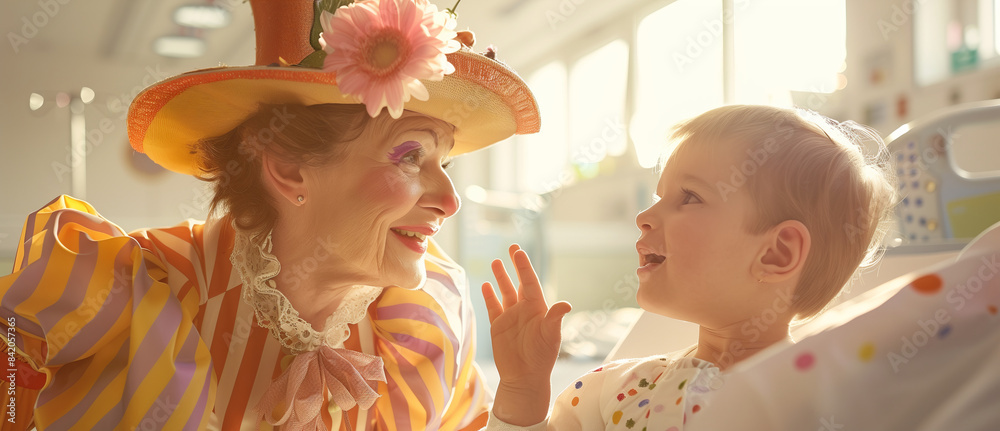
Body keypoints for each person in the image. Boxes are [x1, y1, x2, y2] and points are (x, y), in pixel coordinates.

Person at [0, 0, 541, 430]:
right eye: (409, 155)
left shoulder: (429, 317)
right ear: (288, 169)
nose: (450, 200)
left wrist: (519, 401)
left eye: (443, 161)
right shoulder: (125, 291)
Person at [479, 105, 897, 430]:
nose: (645, 215)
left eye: (689, 198)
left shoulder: (823, 402)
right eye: (659, 196)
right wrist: (523, 388)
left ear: (776, 254)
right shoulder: (614, 393)